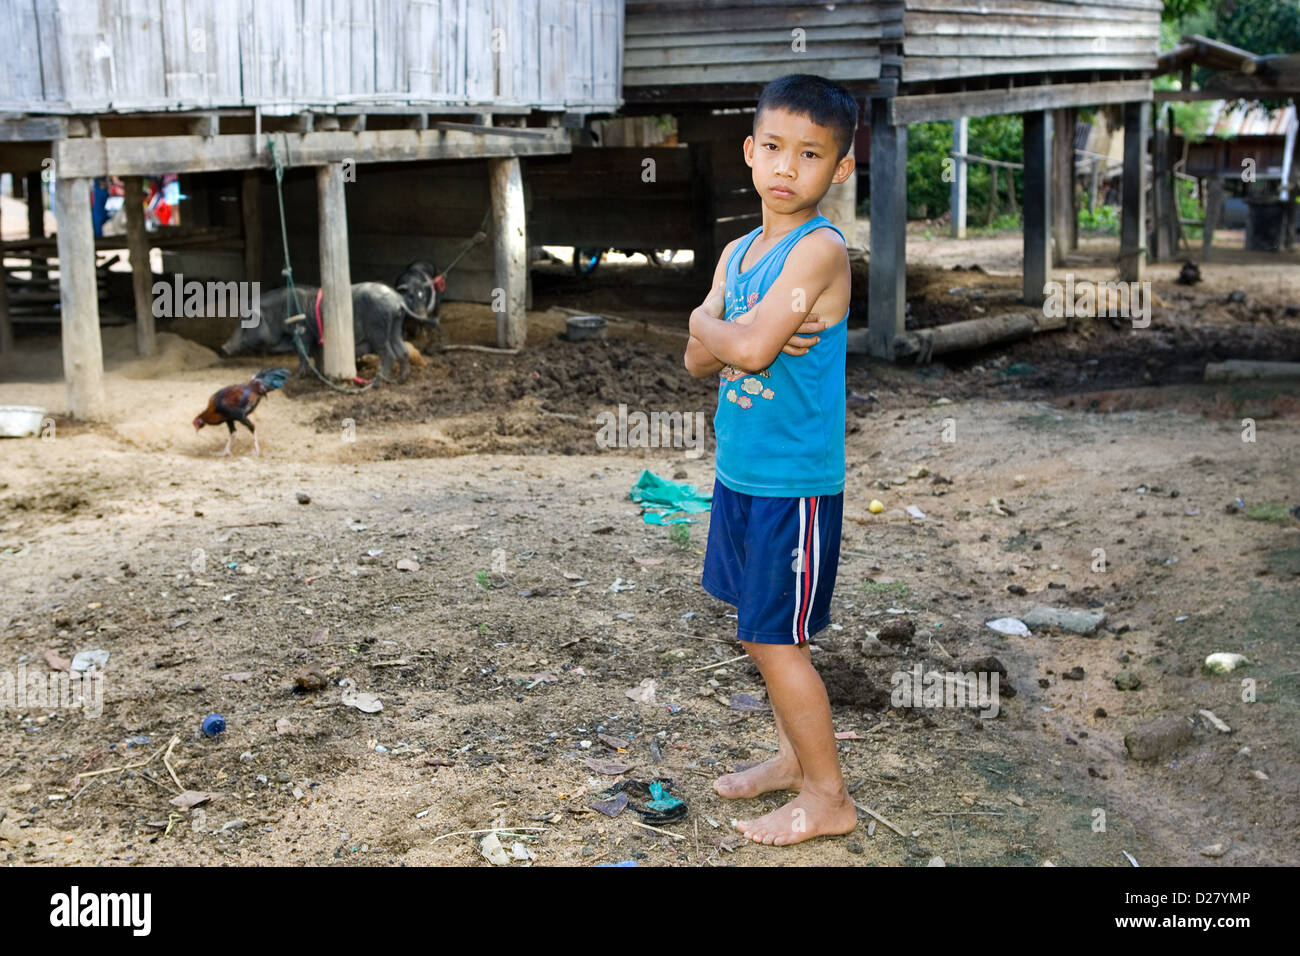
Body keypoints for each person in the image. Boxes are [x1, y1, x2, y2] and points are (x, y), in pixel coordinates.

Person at [684, 73, 858, 846]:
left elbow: (742, 347)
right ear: (751, 153)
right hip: (742, 475)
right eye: (776, 149)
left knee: (773, 637)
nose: (788, 168)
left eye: (811, 154)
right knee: (763, 629)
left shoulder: (819, 251)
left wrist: (716, 322)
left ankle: (829, 797)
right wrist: (722, 328)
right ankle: (793, 758)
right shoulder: (739, 250)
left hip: (795, 486)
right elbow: (698, 358)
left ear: (839, 171)